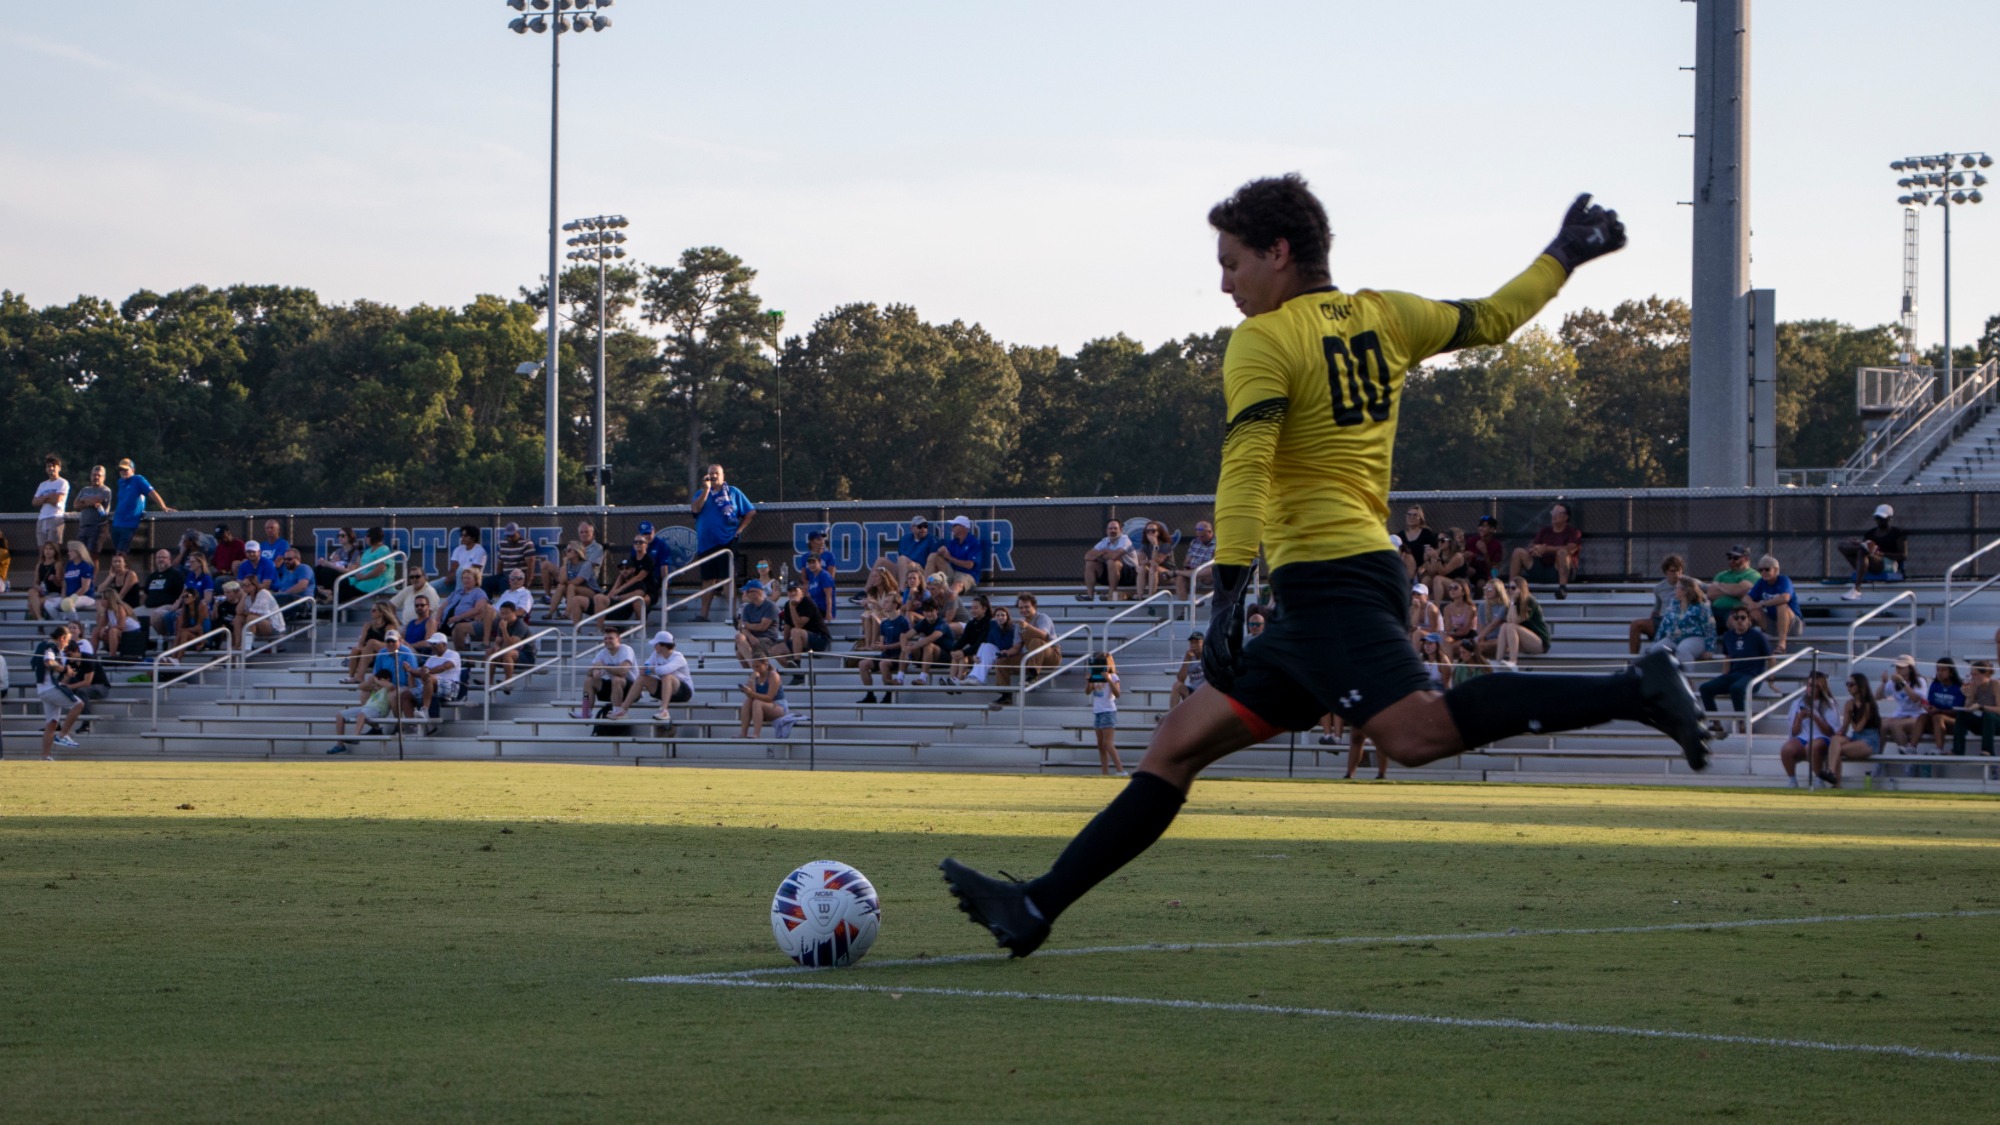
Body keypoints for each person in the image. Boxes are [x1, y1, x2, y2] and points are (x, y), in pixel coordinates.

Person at [938, 179, 1707, 958]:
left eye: (1232, 263)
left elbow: (1246, 463)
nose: (1224, 283)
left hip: (1331, 581)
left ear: (1279, 253)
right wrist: (1563, 254)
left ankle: (1635, 687)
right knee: (1175, 744)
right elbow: (1495, 318)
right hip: (1337, 584)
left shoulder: (1265, 340)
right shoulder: (1389, 314)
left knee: (1415, 734)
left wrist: (1227, 593)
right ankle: (1036, 905)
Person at [693, 464, 756, 622]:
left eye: (716, 474)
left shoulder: (733, 492)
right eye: (710, 474)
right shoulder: (701, 493)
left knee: (727, 578)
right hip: (706, 544)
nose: (713, 476)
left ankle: (733, 615)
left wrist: (739, 530)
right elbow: (695, 509)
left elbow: (750, 511)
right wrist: (706, 490)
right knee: (708, 579)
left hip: (727, 542)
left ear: (723, 476)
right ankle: (703, 614)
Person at [1698, 609, 1770, 713]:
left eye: (1743, 618)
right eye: (1736, 618)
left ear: (1749, 620)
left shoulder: (1757, 636)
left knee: (1736, 688)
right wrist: (1724, 675)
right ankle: (1715, 723)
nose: (1739, 620)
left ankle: (1742, 723)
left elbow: (1770, 658)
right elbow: (1728, 657)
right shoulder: (1728, 636)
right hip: (1734, 674)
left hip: (1752, 676)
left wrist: (1771, 680)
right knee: (1705, 688)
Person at [1779, 670, 1840, 788]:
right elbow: (1795, 732)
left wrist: (1815, 717)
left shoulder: (1829, 704)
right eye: (1810, 685)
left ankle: (1819, 779)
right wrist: (1799, 719)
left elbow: (1830, 731)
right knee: (1786, 749)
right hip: (1803, 737)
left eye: (1816, 686)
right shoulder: (1798, 703)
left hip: (1822, 738)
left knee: (1811, 747)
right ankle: (1792, 781)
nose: (1811, 689)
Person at [34, 624, 87, 758]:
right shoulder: (51, 646)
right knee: (78, 704)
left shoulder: (49, 646)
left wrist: (66, 673)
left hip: (43, 689)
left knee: (52, 723)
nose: (68, 643)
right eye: (68, 640)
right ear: (62, 638)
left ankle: (45, 757)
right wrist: (64, 670)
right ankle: (63, 735)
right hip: (49, 688)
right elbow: (49, 662)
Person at [1508, 502, 1581, 598]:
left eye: (1558, 513)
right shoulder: (1544, 530)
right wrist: (1535, 550)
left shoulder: (1574, 532)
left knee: (1562, 553)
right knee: (1518, 552)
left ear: (1566, 517)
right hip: (1541, 568)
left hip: (1558, 571)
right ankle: (1511, 588)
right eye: (1553, 512)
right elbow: (1534, 546)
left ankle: (1562, 589)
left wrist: (1547, 549)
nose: (1554, 515)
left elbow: (1570, 549)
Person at [1823, 672, 1883, 786]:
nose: (1848, 687)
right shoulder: (1849, 704)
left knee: (1836, 751)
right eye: (1847, 684)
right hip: (1856, 738)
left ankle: (1836, 783)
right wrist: (1837, 734)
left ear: (1860, 686)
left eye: (1851, 684)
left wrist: (1850, 717)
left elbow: (1858, 727)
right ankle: (1831, 773)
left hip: (1869, 739)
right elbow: (1845, 728)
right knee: (1835, 740)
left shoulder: (1868, 704)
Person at [1840, 504, 1908, 601]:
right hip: (1871, 560)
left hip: (1890, 563)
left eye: (1882, 518)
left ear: (1890, 518)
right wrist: (1858, 544)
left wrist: (1881, 554)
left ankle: (1857, 589)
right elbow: (1866, 547)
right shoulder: (1870, 533)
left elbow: (1903, 555)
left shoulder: (1898, 533)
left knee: (1862, 551)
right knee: (1842, 546)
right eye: (1877, 518)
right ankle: (1860, 567)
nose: (1879, 520)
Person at [1644, 577, 1715, 667]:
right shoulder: (1673, 604)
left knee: (1683, 650)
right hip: (1673, 637)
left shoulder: (1701, 607)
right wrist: (1656, 642)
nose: (1674, 590)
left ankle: (1687, 678)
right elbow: (1664, 625)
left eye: (1677, 588)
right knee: (1656, 650)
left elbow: (1710, 627)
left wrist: (1709, 649)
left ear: (1685, 591)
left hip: (1694, 637)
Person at [109, 458, 173, 556]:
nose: (123, 472)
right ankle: (121, 570)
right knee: (116, 553)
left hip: (129, 524)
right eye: (121, 469)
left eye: (126, 469)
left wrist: (163, 506)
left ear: (133, 470)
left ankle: (126, 571)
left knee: (121, 554)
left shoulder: (138, 480)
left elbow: (152, 493)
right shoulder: (120, 482)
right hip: (116, 523)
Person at [628, 630, 693, 724]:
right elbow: (648, 664)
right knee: (642, 678)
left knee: (667, 676)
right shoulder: (655, 654)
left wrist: (651, 669)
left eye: (656, 644)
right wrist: (644, 669)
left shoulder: (678, 657)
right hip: (666, 689)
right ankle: (623, 709)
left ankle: (664, 710)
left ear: (663, 645)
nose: (654, 646)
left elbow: (664, 670)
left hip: (684, 692)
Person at [1628, 555, 1686, 654]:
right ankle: (1633, 662)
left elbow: (1708, 589)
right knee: (1635, 625)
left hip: (1682, 620)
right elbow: (1657, 609)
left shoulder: (1689, 583)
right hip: (1663, 620)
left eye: (1679, 570)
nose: (1677, 574)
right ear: (1666, 572)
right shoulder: (1659, 588)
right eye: (1673, 571)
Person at [577, 626, 637, 720]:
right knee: (589, 680)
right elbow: (589, 672)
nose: (607, 641)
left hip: (631, 689)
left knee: (617, 679)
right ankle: (586, 712)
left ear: (618, 639)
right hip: (613, 688)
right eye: (605, 638)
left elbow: (623, 671)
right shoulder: (602, 652)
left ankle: (617, 712)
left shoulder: (626, 649)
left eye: (610, 638)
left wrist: (604, 666)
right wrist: (595, 670)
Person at [856, 603, 911, 705]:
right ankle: (870, 695)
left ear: (894, 605)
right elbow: (882, 642)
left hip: (899, 656)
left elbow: (904, 642)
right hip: (886, 654)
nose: (884, 605)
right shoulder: (884, 623)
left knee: (883, 663)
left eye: (887, 602)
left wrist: (886, 647)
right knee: (863, 664)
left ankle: (888, 694)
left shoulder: (903, 621)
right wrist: (878, 646)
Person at [780, 581, 832, 684]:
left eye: (795, 590)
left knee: (795, 631)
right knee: (776, 650)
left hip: (820, 639)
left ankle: (798, 665)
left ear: (802, 591)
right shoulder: (788, 605)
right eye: (790, 591)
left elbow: (799, 625)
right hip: (802, 640)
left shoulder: (808, 602)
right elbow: (787, 626)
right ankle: (798, 674)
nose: (793, 593)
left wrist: (793, 607)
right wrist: (786, 644)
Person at [1745, 554, 1800, 652]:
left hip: (1793, 625)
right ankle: (1747, 643)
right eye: (1760, 570)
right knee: (1753, 610)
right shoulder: (1761, 582)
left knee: (1781, 606)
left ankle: (1782, 644)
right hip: (1773, 624)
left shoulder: (1784, 580)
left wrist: (1761, 603)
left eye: (1767, 569)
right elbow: (1746, 598)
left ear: (1776, 570)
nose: (1763, 572)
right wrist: (1752, 605)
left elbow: (1785, 598)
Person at [410, 633, 464, 731]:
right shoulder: (431, 658)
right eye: (431, 644)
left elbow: (444, 667)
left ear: (444, 644)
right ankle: (412, 725)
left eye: (435, 643)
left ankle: (425, 710)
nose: (432, 646)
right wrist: (410, 670)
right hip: (432, 685)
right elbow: (422, 672)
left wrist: (427, 672)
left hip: (451, 686)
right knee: (405, 695)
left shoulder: (454, 654)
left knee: (429, 678)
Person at [1877, 655, 1928, 751]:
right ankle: (1879, 757)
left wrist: (1902, 683)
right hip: (1901, 714)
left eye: (1901, 667)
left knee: (1895, 725)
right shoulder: (1893, 682)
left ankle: (1908, 754)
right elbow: (1878, 696)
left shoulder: (1920, 681)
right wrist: (1883, 683)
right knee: (1881, 725)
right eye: (1897, 667)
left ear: (1910, 669)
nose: (1898, 670)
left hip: (1917, 715)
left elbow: (1915, 699)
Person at [1086, 652, 1125, 776]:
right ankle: (1105, 772)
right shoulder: (1095, 677)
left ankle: (1120, 770)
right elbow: (1087, 692)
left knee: (1107, 743)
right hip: (1098, 711)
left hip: (1108, 711)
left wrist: (1108, 679)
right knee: (1100, 744)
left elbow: (1117, 694)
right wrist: (1089, 681)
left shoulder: (1113, 677)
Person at [484, 601, 537, 690]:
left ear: (514, 612)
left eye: (507, 613)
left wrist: (504, 630)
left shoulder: (520, 625)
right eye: (502, 613)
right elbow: (498, 641)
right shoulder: (503, 623)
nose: (504, 616)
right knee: (490, 651)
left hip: (526, 656)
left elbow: (512, 644)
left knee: (508, 653)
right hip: (510, 654)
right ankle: (489, 681)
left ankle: (508, 682)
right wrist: (497, 647)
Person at [1952, 660, 2000, 756]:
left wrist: (1981, 707)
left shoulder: (1995, 685)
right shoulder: (1974, 685)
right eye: (1972, 674)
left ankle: (1988, 750)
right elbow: (1967, 708)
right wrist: (1969, 695)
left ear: (1986, 674)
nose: (1973, 677)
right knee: (1961, 714)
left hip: (1995, 723)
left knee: (1989, 715)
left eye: (1975, 674)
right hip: (1983, 724)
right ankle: (1957, 750)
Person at [344, 602, 400, 684]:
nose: (371, 612)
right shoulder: (368, 625)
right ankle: (351, 676)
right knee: (355, 650)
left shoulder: (389, 626)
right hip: (369, 652)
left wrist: (369, 648)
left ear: (381, 612)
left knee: (371, 642)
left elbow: (390, 643)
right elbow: (360, 643)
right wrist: (365, 649)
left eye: (374, 610)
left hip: (384, 650)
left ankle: (360, 677)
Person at [1080, 520, 1136, 602]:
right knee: (1090, 563)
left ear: (1120, 530)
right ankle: (1090, 596)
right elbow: (1087, 556)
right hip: (1112, 574)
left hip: (1130, 575)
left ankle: (1112, 595)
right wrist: (1103, 551)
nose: (1113, 530)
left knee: (1112, 562)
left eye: (1115, 528)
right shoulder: (1104, 541)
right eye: (1110, 528)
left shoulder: (1125, 540)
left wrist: (1100, 554)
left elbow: (1114, 556)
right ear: (1106, 531)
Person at [1705, 545, 1758, 631]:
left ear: (1746, 559)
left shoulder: (1753, 575)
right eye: (1730, 558)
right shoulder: (1721, 574)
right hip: (1714, 610)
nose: (1732, 560)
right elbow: (1711, 594)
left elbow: (1739, 591)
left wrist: (1719, 586)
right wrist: (1733, 589)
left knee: (1735, 620)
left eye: (1735, 558)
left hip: (1735, 611)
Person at [928, 516, 985, 594]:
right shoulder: (954, 542)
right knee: (933, 556)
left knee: (955, 588)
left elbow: (969, 565)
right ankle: (927, 586)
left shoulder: (974, 543)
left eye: (954, 525)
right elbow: (946, 556)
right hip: (952, 573)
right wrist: (941, 552)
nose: (952, 528)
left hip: (967, 575)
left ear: (962, 527)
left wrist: (950, 558)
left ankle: (950, 601)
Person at [737, 656, 788, 738]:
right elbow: (751, 697)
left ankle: (756, 733)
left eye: (758, 666)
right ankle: (743, 733)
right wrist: (749, 684)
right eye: (753, 667)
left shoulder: (773, 675)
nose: (755, 669)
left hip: (777, 706)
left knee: (757, 702)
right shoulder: (754, 677)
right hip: (761, 707)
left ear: (766, 664)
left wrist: (751, 693)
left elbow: (769, 697)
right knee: (748, 701)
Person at [733, 580, 781, 667]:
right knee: (739, 637)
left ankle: (756, 673)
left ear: (758, 592)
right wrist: (750, 636)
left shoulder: (770, 606)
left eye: (748, 591)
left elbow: (761, 627)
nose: (746, 594)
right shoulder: (747, 607)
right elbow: (743, 629)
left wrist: (745, 625)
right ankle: (755, 670)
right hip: (752, 638)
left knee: (741, 653)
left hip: (767, 639)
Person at [555, 544, 607, 625]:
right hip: (576, 591)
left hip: (592, 593)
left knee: (571, 586)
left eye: (569, 550)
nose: (566, 552)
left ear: (576, 553)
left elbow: (578, 581)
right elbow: (561, 581)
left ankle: (567, 613)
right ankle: (550, 613)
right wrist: (564, 565)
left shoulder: (586, 564)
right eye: (566, 550)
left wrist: (566, 582)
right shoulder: (568, 564)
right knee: (561, 586)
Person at [1923, 657, 1966, 754]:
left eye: (1943, 670)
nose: (1939, 673)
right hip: (1936, 719)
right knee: (1922, 717)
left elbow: (1958, 711)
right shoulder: (1935, 685)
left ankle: (1939, 749)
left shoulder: (1959, 687)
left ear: (1951, 672)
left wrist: (1938, 710)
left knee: (1938, 717)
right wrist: (1928, 707)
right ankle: (1912, 747)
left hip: (1955, 722)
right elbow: (1931, 703)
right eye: (1938, 669)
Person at [72, 466, 114, 559]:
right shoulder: (85, 490)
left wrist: (83, 500)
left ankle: (93, 574)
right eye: (94, 475)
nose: (96, 477)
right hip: (83, 527)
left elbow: (97, 500)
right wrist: (89, 502)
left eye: (99, 475)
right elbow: (75, 505)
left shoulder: (106, 490)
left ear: (104, 477)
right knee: (79, 554)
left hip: (98, 527)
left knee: (92, 556)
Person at [1174, 521, 1217, 600]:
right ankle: (1185, 609)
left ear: (1210, 531)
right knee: (1180, 578)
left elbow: (1214, 563)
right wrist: (1186, 566)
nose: (1199, 536)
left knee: (1211, 570)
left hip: (1208, 574)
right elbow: (1187, 560)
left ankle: (1177, 572)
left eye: (1202, 536)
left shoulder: (1218, 543)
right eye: (1196, 530)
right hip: (1193, 571)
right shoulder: (1195, 541)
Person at [33, 455, 69, 549]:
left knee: (54, 550)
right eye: (48, 466)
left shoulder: (62, 483)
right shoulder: (42, 485)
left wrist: (43, 499)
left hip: (55, 518)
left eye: (54, 466)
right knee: (42, 551)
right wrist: (48, 496)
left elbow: (56, 500)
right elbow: (34, 502)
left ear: (59, 468)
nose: (51, 468)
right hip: (42, 519)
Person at [347, 528, 396, 597]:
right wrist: (356, 572)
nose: (365, 538)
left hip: (376, 582)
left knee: (346, 590)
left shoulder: (384, 550)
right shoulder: (367, 551)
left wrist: (364, 577)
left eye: (367, 536)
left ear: (373, 536)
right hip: (360, 580)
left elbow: (381, 568)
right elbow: (360, 566)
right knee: (337, 579)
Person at [1132, 522, 1174, 599]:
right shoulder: (1145, 545)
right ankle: (1139, 595)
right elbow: (1140, 562)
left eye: (1153, 531)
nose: (1150, 533)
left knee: (1153, 567)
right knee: (1142, 568)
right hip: (1153, 573)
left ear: (1158, 532)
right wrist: (1147, 562)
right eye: (1148, 531)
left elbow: (1156, 561)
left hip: (1168, 574)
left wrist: (1155, 545)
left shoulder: (1166, 545)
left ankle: (1151, 596)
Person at [314, 528, 362, 598]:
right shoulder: (338, 551)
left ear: (349, 537)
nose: (340, 537)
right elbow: (332, 563)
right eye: (338, 535)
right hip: (335, 571)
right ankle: (317, 590)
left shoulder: (355, 552)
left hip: (345, 576)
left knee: (327, 571)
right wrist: (326, 562)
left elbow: (349, 571)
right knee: (317, 569)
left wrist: (330, 565)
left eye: (342, 536)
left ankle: (330, 593)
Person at [893, 517, 939, 588]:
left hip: (922, 571)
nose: (923, 529)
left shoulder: (932, 540)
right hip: (906, 569)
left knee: (903, 559)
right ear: (912, 528)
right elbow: (902, 560)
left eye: (925, 526)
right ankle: (869, 592)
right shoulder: (905, 539)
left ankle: (903, 590)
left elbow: (932, 562)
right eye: (920, 526)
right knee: (881, 561)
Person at [1396, 504, 1439, 578]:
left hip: (1422, 569)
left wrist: (1423, 567)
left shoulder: (1426, 533)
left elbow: (1431, 554)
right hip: (1404, 567)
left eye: (1415, 515)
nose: (1411, 517)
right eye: (1409, 515)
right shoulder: (1401, 535)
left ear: (1420, 518)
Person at [58, 540, 97, 622]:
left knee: (68, 603)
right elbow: (64, 584)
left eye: (71, 551)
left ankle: (77, 624)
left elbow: (85, 587)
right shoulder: (69, 565)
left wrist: (71, 598)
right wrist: (63, 597)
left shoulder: (86, 565)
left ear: (79, 552)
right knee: (48, 604)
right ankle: (60, 622)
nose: (68, 553)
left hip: (85, 597)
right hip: (69, 597)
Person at [1462, 516, 1504, 588]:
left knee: (1481, 584)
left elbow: (1493, 571)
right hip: (1470, 571)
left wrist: (1485, 553)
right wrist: (1465, 556)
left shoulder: (1497, 545)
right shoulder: (1471, 541)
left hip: (1484, 574)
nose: (1481, 529)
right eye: (1480, 526)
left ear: (1492, 529)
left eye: (1484, 526)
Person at [1438, 579, 1479, 647]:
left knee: (1445, 641)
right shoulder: (1447, 608)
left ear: (1463, 592)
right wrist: (1456, 628)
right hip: (1454, 636)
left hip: (1469, 637)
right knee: (1443, 639)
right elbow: (1448, 628)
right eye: (1450, 588)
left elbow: (1465, 631)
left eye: (1455, 588)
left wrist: (1454, 627)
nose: (1452, 591)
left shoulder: (1470, 608)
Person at [1170, 633, 1207, 708]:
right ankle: (1172, 714)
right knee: (1177, 685)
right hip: (1192, 691)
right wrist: (1186, 660)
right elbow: (1181, 679)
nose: (1193, 645)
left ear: (1203, 643)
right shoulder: (1187, 657)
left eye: (1197, 642)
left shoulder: (1208, 655)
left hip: (1206, 691)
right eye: (1192, 642)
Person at [29, 541, 63, 620]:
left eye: (51, 549)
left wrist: (54, 578)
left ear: (55, 552)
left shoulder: (57, 564)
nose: (48, 551)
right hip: (43, 592)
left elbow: (60, 583)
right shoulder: (39, 565)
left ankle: (40, 626)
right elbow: (35, 582)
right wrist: (39, 588)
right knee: (31, 591)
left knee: (32, 605)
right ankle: (40, 619)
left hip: (54, 593)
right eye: (46, 549)